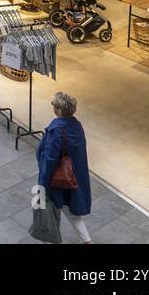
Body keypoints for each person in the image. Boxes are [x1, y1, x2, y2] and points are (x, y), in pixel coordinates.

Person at [37, 91, 94, 244]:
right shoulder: (76, 126)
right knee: (71, 211)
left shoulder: (56, 132)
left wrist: (43, 184)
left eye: (53, 105)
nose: (52, 107)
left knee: (49, 211)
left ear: (59, 110)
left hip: (56, 178)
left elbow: (50, 160)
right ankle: (87, 241)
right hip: (73, 176)